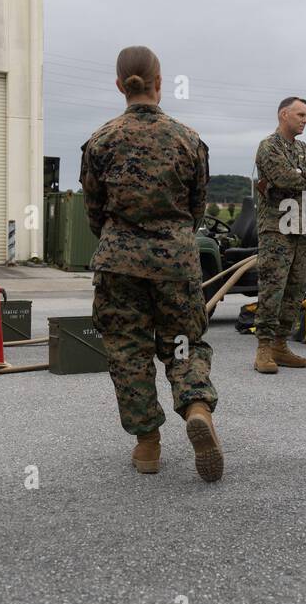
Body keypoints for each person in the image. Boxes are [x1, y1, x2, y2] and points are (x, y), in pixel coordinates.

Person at [80, 45, 222, 482]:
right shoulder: (188, 140)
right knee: (183, 342)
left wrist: (120, 237)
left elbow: (94, 212)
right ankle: (197, 406)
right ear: (159, 83)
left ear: (120, 85)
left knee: (128, 351)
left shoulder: (101, 141)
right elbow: (197, 208)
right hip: (176, 262)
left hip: (119, 263)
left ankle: (147, 444)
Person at [252, 97, 306, 373]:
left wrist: (299, 172)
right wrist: (300, 176)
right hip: (276, 228)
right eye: (301, 115)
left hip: (301, 227)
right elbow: (284, 178)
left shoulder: (304, 149)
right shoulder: (268, 147)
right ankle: (263, 347)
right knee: (273, 288)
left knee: (296, 290)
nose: (305, 120)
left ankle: (280, 345)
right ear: (284, 115)